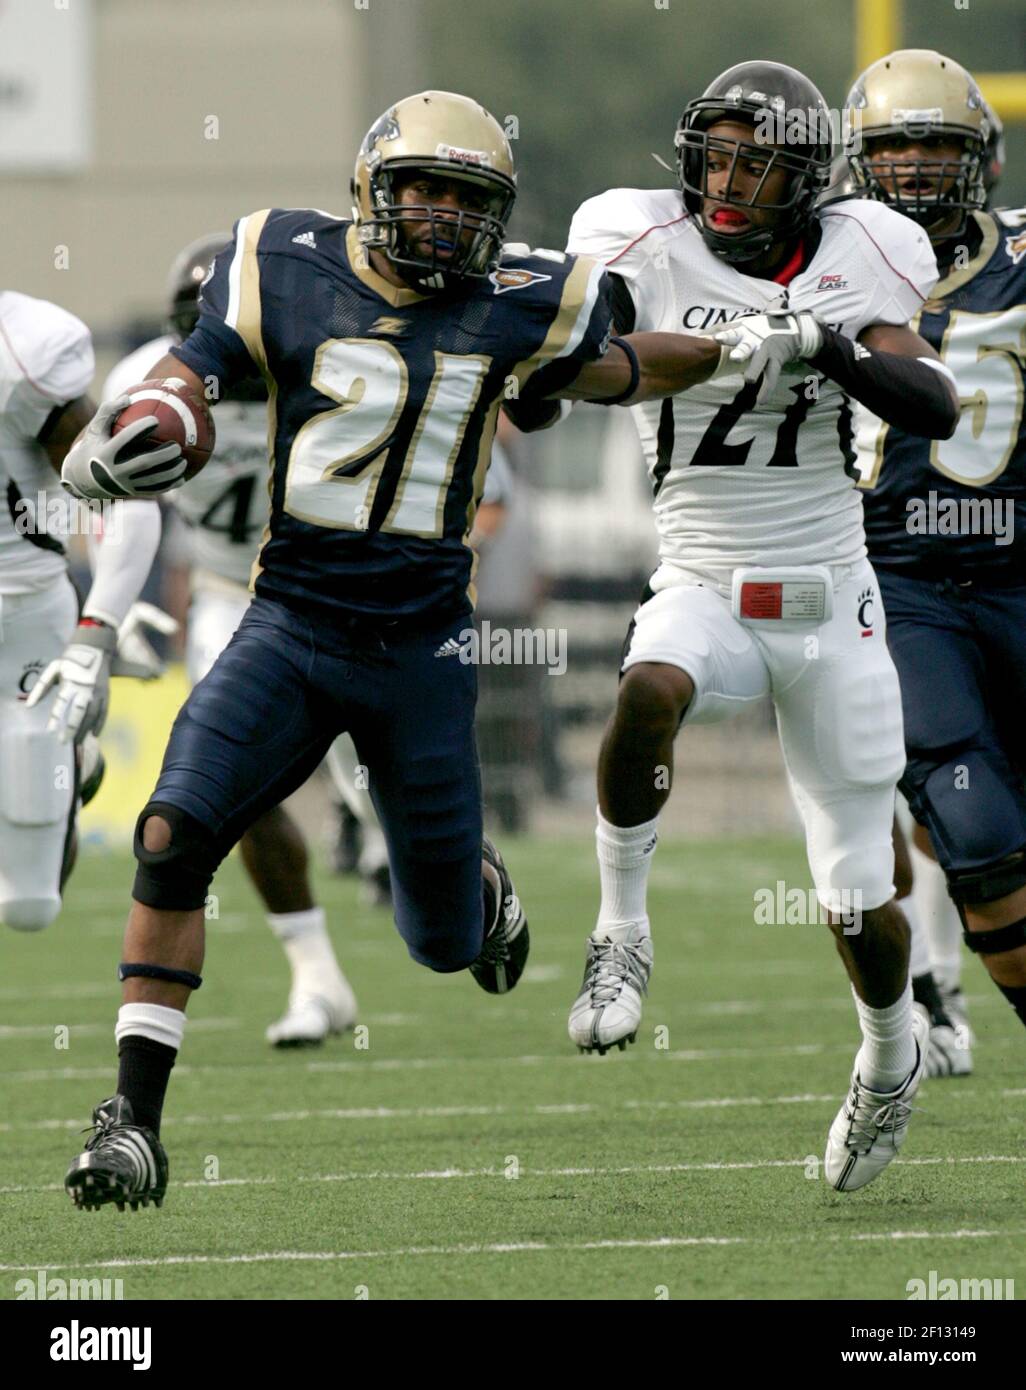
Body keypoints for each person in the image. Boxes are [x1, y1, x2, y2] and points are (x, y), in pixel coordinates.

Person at [56, 89, 742, 1213]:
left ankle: (474, 889)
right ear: (374, 187)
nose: (437, 215)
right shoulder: (279, 258)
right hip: (289, 619)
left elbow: (620, 365)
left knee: (438, 942)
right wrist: (158, 417)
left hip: (420, 646)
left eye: (463, 198)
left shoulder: (526, 296)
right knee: (175, 829)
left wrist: (738, 352)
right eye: (420, 188)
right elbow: (200, 364)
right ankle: (131, 1121)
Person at [559, 60, 958, 1191]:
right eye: (716, 156)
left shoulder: (863, 252)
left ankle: (889, 1060)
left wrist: (828, 344)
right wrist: (725, 345)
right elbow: (582, 370)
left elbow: (934, 402)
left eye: (758, 161)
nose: (728, 182)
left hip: (835, 597)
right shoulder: (640, 243)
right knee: (648, 686)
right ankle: (621, 927)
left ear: (810, 179)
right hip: (705, 577)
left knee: (855, 894)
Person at [104, 234, 358, 1047]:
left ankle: (398, 848)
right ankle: (319, 976)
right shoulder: (150, 381)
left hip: (332, 588)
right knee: (227, 784)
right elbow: (120, 500)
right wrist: (109, 613)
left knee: (376, 780)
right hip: (223, 593)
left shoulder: (331, 368)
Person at [848, 49, 1026, 1050]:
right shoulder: (829, 267)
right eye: (894, 146)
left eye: (936, 144)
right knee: (979, 827)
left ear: (983, 161)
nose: (914, 165)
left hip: (1021, 568)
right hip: (902, 585)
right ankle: (937, 993)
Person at [0, 288, 162, 931]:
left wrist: (98, 628)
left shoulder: (24, 352)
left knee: (28, 903)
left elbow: (116, 494)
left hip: (21, 608)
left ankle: (65, 763)